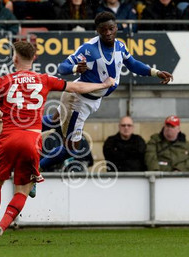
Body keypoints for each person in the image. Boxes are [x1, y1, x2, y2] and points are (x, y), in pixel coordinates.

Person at [0, 40, 116, 246]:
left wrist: (7, 113)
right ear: (34, 58)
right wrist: (104, 85)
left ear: (14, 58)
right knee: (23, 190)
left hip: (8, 137)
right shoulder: (44, 79)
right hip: (32, 139)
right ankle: (2, 227)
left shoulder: (3, 81)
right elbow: (76, 86)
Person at [39, 11, 173, 176]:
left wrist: (155, 72)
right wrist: (75, 68)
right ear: (97, 30)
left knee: (54, 121)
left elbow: (133, 64)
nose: (108, 33)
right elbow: (62, 67)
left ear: (116, 27)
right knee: (71, 148)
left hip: (91, 99)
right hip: (78, 101)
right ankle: (37, 167)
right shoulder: (89, 49)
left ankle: (23, 127)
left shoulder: (120, 46)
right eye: (103, 30)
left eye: (111, 28)